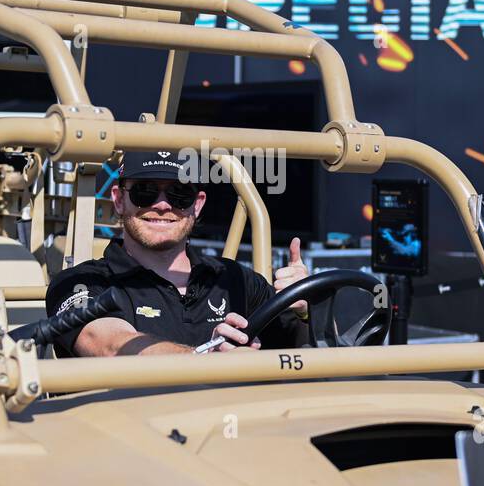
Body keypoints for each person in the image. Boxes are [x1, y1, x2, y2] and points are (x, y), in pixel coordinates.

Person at [44, 150, 310, 358]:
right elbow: (111, 348)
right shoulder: (80, 283)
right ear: (119, 199)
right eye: (144, 192)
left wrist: (305, 309)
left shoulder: (236, 280)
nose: (162, 205)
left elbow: (305, 353)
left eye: (179, 194)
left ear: (198, 204)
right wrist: (207, 359)